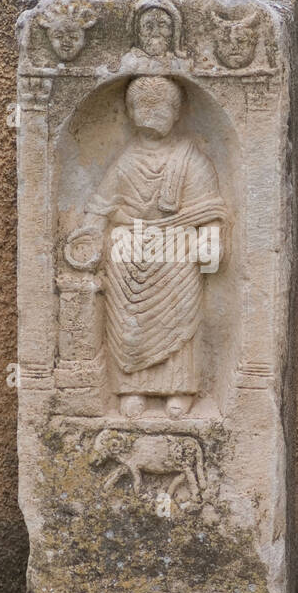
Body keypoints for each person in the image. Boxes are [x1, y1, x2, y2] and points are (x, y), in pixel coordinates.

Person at [70, 75, 226, 419]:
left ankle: (179, 388)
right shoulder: (126, 160)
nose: (151, 114)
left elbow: (209, 209)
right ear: (131, 112)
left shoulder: (190, 159)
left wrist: (210, 237)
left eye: (159, 107)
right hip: (130, 250)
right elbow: (101, 205)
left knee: (180, 313)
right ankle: (132, 387)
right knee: (128, 317)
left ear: (175, 112)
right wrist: (91, 235)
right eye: (143, 106)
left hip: (177, 251)